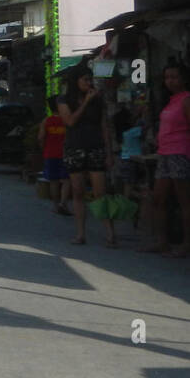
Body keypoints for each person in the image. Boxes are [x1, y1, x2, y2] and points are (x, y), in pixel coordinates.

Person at [58, 67, 115, 247]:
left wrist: (108, 152)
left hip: (95, 147)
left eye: (90, 79)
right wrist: (85, 103)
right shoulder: (64, 100)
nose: (88, 83)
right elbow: (70, 121)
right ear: (76, 81)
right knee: (78, 192)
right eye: (85, 79)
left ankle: (110, 234)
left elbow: (104, 126)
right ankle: (81, 234)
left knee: (100, 193)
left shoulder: (98, 101)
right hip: (75, 148)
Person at [143, 61, 190, 258]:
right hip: (164, 153)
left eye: (174, 77)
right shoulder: (171, 100)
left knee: (184, 201)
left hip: (180, 153)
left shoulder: (186, 99)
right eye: (167, 77)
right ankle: (161, 241)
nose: (169, 81)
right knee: (158, 198)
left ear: (183, 78)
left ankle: (186, 244)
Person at [38, 95, 69, 214]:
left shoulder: (46, 121)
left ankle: (56, 205)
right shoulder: (67, 120)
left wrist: (44, 150)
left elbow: (41, 138)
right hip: (65, 154)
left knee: (53, 181)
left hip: (50, 154)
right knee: (67, 180)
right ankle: (63, 203)